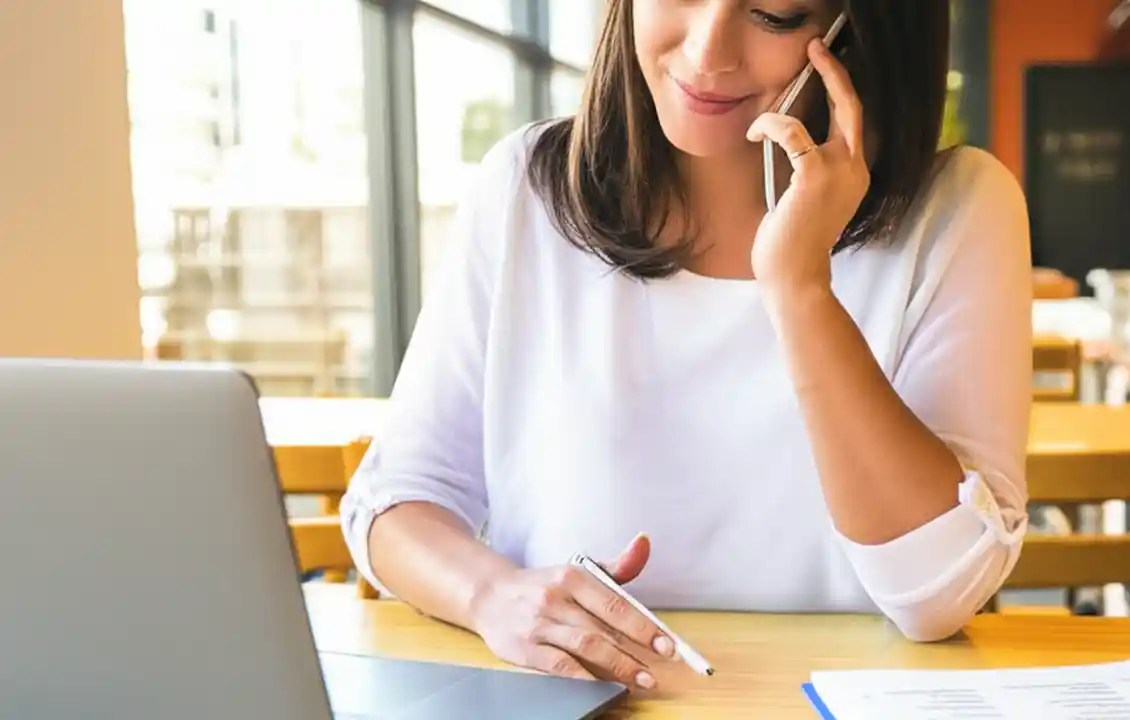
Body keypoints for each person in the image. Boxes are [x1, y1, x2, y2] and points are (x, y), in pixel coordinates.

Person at [340, 0, 1031, 692]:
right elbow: (396, 499)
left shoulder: (959, 208)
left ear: (858, 31)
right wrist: (492, 595)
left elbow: (936, 595)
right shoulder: (525, 187)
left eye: (774, 15)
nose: (707, 54)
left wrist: (799, 289)